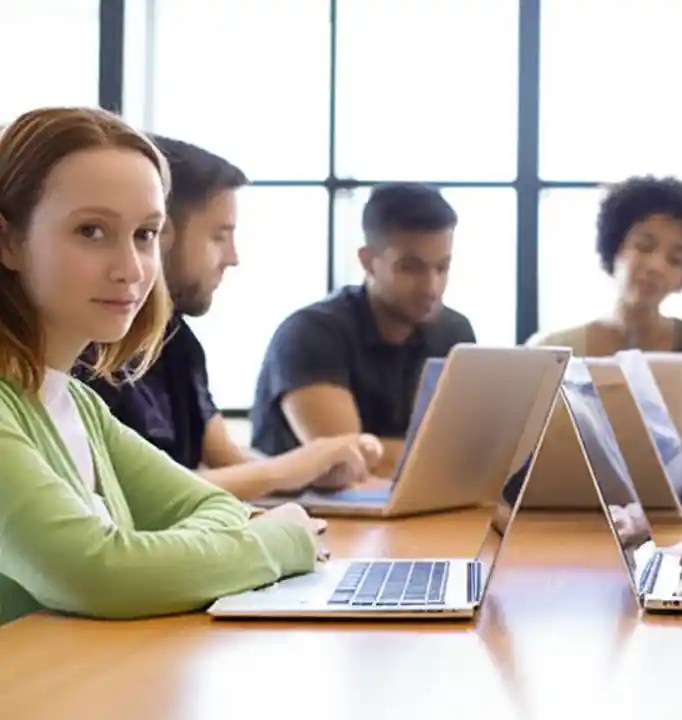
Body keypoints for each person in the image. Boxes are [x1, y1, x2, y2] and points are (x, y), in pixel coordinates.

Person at [0, 107, 321, 624]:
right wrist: (280, 540)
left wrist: (152, 557)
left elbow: (217, 508)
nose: (130, 269)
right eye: (91, 231)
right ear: (8, 242)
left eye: (146, 234)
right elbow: (98, 573)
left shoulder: (77, 403)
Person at [78, 136, 380, 500]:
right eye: (219, 236)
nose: (233, 257)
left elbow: (228, 460)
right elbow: (136, 497)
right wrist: (293, 467)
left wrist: (313, 471)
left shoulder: (176, 340)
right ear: (162, 233)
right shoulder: (83, 345)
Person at [251, 183, 475, 476]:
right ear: (368, 261)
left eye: (442, 268)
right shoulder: (310, 333)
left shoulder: (454, 332)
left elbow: (472, 450)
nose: (431, 287)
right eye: (410, 267)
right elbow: (345, 460)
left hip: (411, 511)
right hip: (306, 515)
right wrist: (453, 456)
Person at [530, 176, 682, 454]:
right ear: (616, 247)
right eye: (643, 246)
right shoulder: (549, 350)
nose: (656, 266)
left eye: (675, 260)